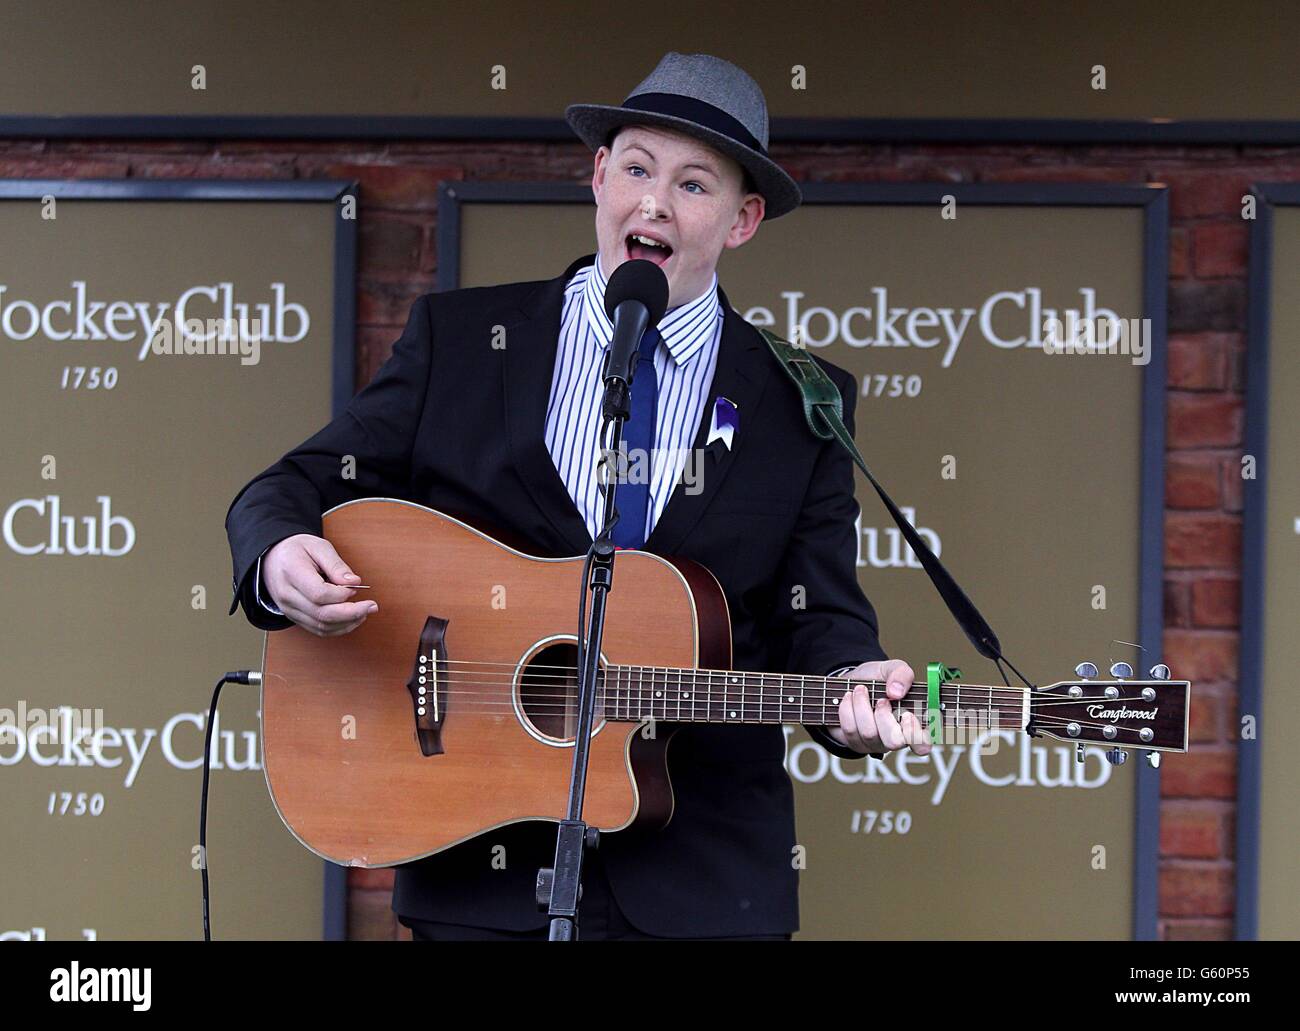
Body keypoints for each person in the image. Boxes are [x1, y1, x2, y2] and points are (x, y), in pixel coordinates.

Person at [225, 52, 931, 941]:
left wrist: (853, 694)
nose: (655, 205)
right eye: (636, 168)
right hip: (480, 876)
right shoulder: (463, 342)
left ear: (744, 218)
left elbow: (820, 618)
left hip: (704, 885)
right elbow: (288, 487)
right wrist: (278, 554)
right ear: (598, 174)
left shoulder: (800, 401)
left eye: (694, 184)